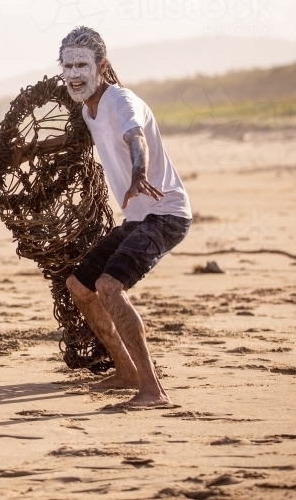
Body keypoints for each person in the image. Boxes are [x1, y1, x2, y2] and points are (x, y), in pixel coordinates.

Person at [55, 26, 192, 407]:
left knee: (110, 286)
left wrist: (138, 173)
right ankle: (126, 369)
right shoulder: (87, 109)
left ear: (102, 66)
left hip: (166, 214)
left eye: (82, 64)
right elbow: (75, 141)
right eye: (68, 66)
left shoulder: (120, 100)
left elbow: (137, 138)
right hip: (137, 219)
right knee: (79, 286)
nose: (75, 73)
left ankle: (152, 389)